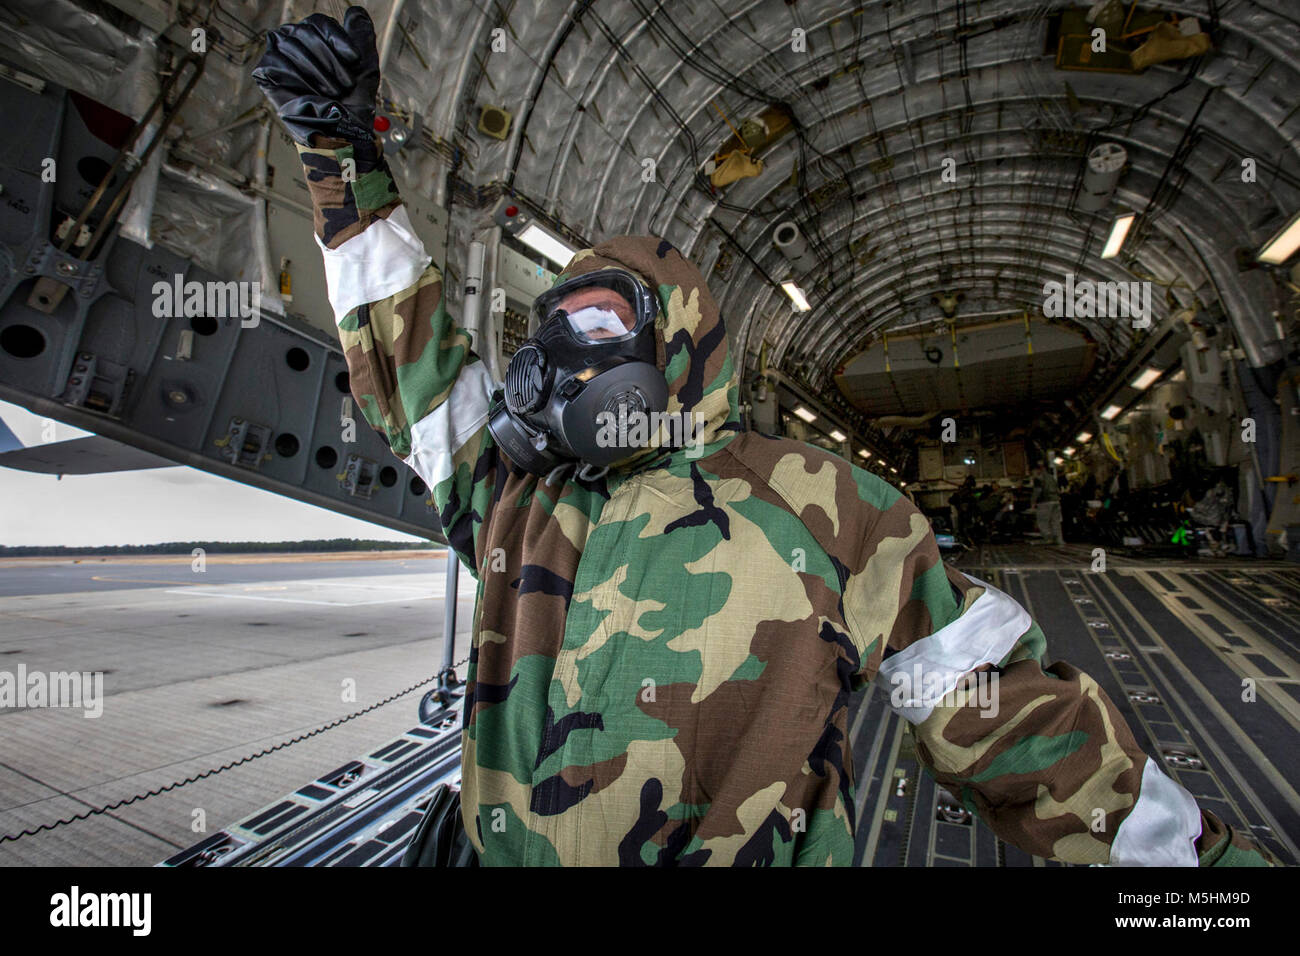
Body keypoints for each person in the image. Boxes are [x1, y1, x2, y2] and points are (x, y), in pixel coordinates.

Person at [251, 7, 1279, 867]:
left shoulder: (831, 508)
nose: (558, 355)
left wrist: (1203, 868)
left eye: (599, 325)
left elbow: (1003, 716)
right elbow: (408, 353)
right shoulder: (520, 495)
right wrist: (337, 153)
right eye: (551, 326)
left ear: (681, 349)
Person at [1030, 463, 1065, 545]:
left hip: (1045, 502)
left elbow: (1037, 491)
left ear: (1037, 470)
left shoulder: (1038, 478)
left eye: (1032, 472)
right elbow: (1057, 489)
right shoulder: (1051, 477)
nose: (1032, 473)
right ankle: (1059, 539)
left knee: (1043, 521)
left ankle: (1048, 538)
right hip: (1056, 501)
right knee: (1055, 521)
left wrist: (1033, 501)